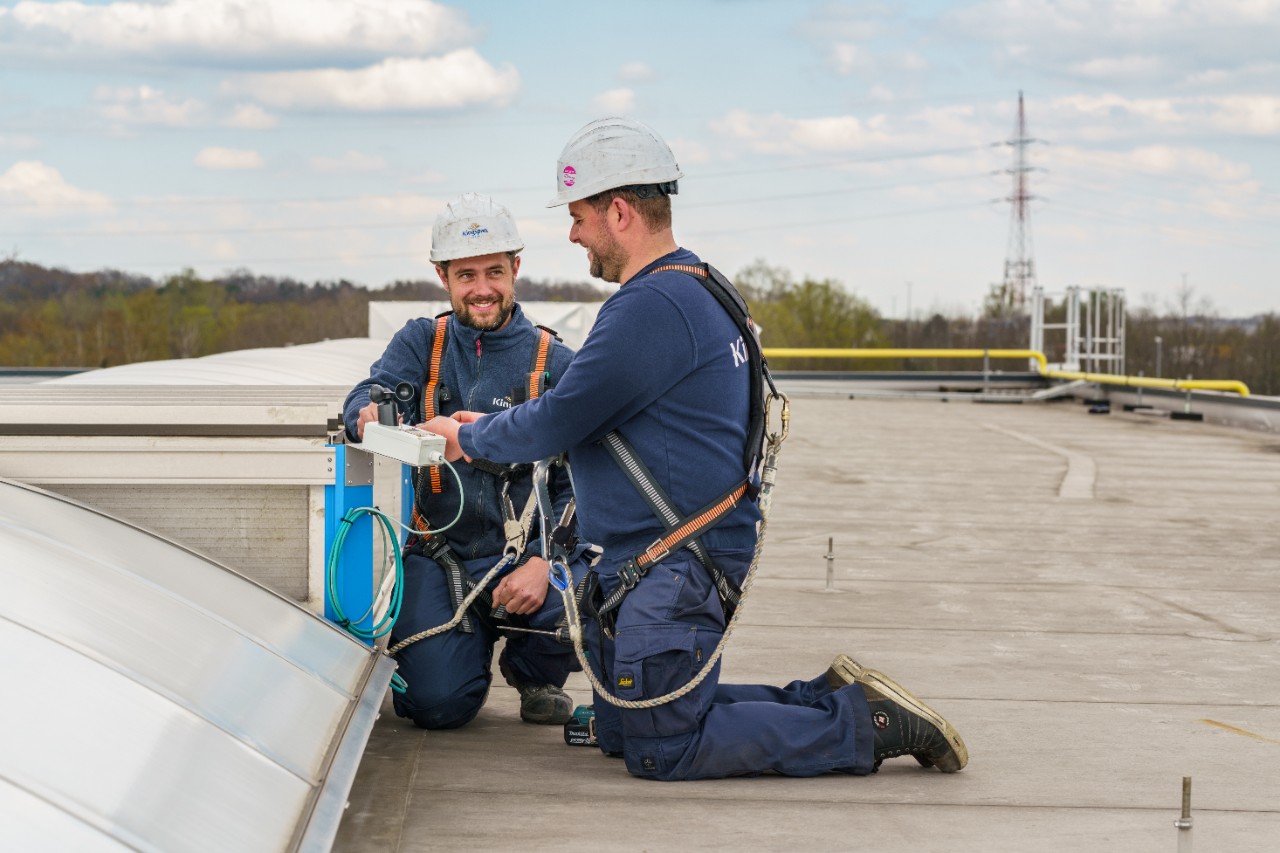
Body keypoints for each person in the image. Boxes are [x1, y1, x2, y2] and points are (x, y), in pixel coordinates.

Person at [421, 119, 968, 780]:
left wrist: (465, 436)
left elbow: (555, 420)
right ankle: (828, 698)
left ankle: (867, 724)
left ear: (618, 211)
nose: (571, 235)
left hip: (673, 563)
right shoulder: (702, 286)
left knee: (665, 746)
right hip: (663, 560)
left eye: (577, 217)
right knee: (630, 725)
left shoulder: (650, 306)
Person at [343, 192, 587, 730]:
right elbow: (366, 394)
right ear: (442, 276)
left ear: (516, 268)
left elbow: (588, 483)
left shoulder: (557, 364)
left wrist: (545, 561)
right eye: (466, 274)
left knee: (589, 598)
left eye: (495, 272)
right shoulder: (420, 344)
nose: (482, 289)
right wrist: (364, 414)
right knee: (435, 707)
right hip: (440, 554)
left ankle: (534, 672)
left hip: (525, 555)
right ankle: (463, 646)